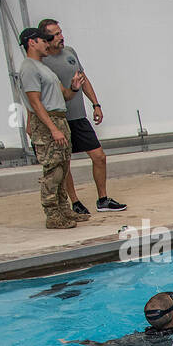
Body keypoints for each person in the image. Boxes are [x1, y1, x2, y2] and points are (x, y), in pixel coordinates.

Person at [38, 19, 126, 214]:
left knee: (99, 156)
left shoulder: (70, 52)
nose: (61, 37)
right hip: (59, 119)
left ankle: (103, 199)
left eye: (61, 33)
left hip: (78, 116)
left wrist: (95, 104)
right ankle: (75, 202)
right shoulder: (42, 62)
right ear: (46, 39)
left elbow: (83, 79)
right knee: (65, 163)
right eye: (56, 35)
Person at [18, 27, 82, 229]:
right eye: (44, 40)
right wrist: (52, 129)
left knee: (63, 168)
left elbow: (64, 96)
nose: (48, 44)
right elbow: (35, 103)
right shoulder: (29, 67)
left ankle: (64, 209)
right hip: (48, 123)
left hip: (59, 118)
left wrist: (73, 87)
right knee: (53, 170)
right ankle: (52, 214)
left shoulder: (44, 67)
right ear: (32, 42)